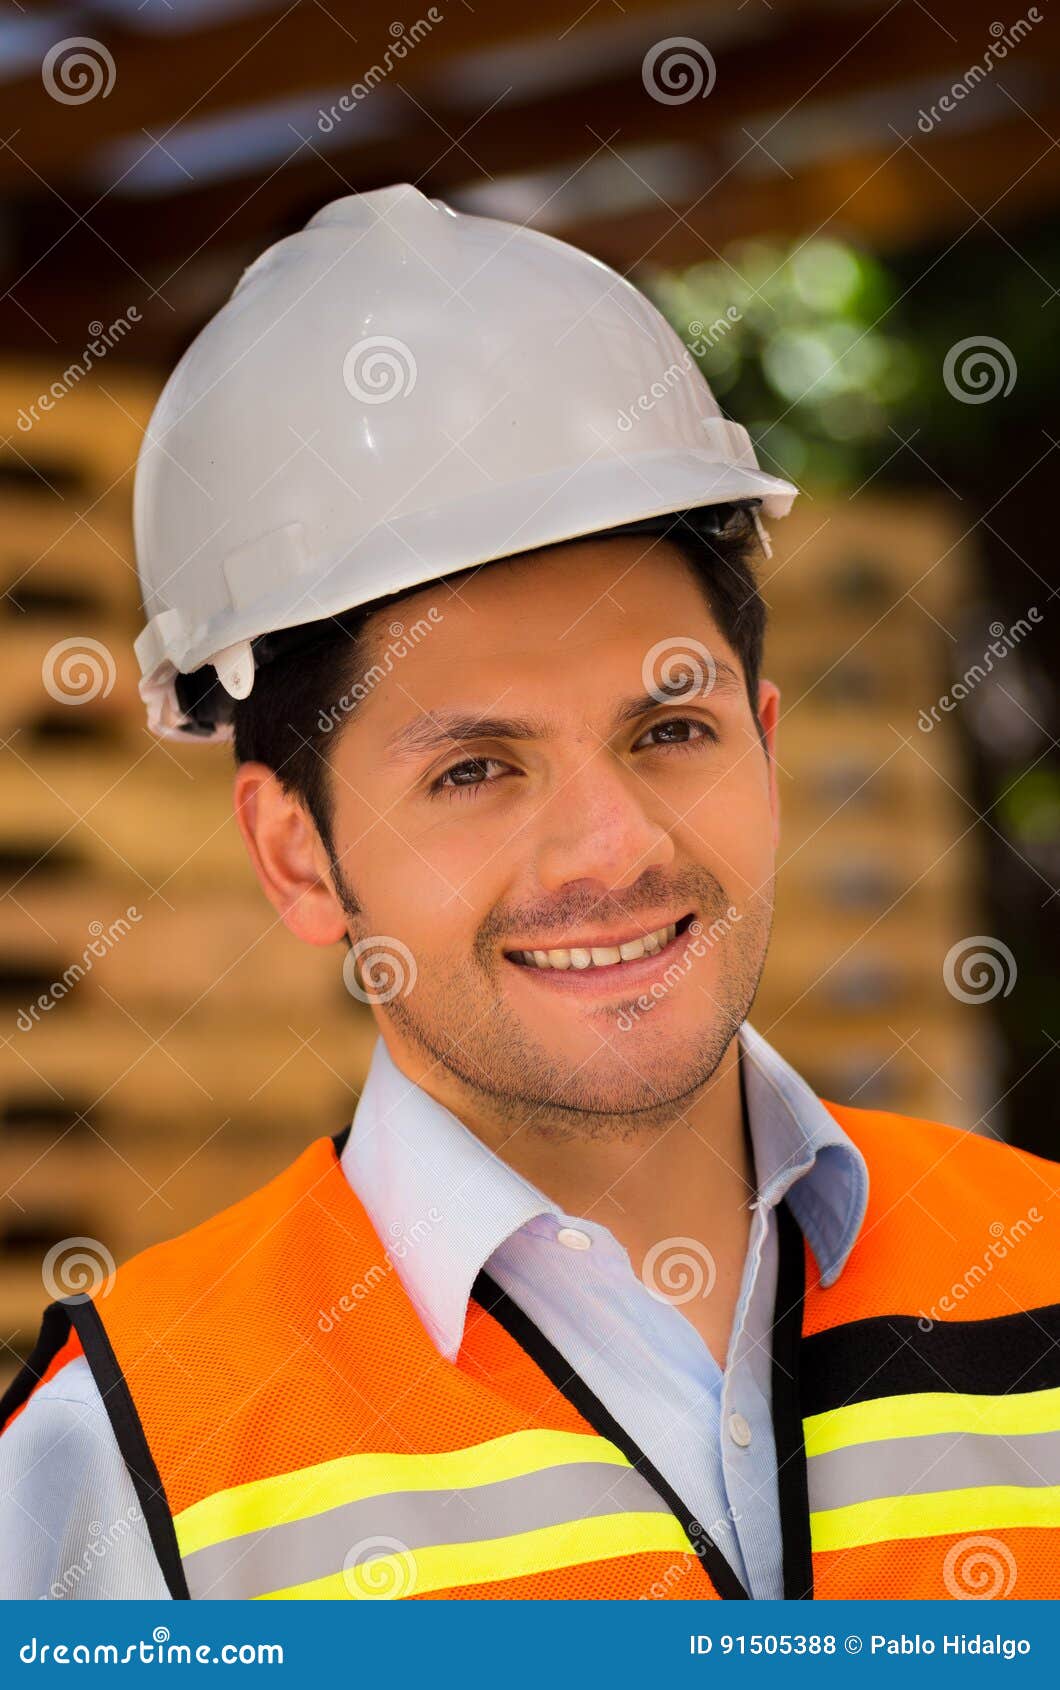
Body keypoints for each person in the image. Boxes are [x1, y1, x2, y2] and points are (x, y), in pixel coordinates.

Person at [1, 186, 1056, 1603]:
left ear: (768, 741)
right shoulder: (121, 1466)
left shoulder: (1036, 1265)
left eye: (670, 728)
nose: (610, 848)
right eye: (478, 769)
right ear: (297, 854)